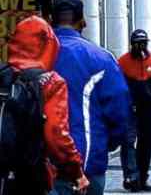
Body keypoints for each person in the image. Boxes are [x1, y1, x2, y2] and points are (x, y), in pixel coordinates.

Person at [51, 0, 131, 195]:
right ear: (82, 22)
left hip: (43, 163)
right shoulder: (101, 58)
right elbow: (120, 110)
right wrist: (108, 142)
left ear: (50, 19)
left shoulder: (37, 57)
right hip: (88, 158)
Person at [3, 16, 89, 195]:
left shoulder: (3, 75)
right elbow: (57, 134)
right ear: (48, 44)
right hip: (31, 176)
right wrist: (76, 172)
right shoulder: (50, 82)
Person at [117, 30, 151, 192]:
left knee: (146, 144)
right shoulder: (123, 63)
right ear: (132, 44)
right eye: (137, 43)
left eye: (143, 43)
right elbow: (116, 87)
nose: (141, 46)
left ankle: (142, 177)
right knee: (128, 141)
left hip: (150, 109)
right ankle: (131, 175)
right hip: (129, 109)